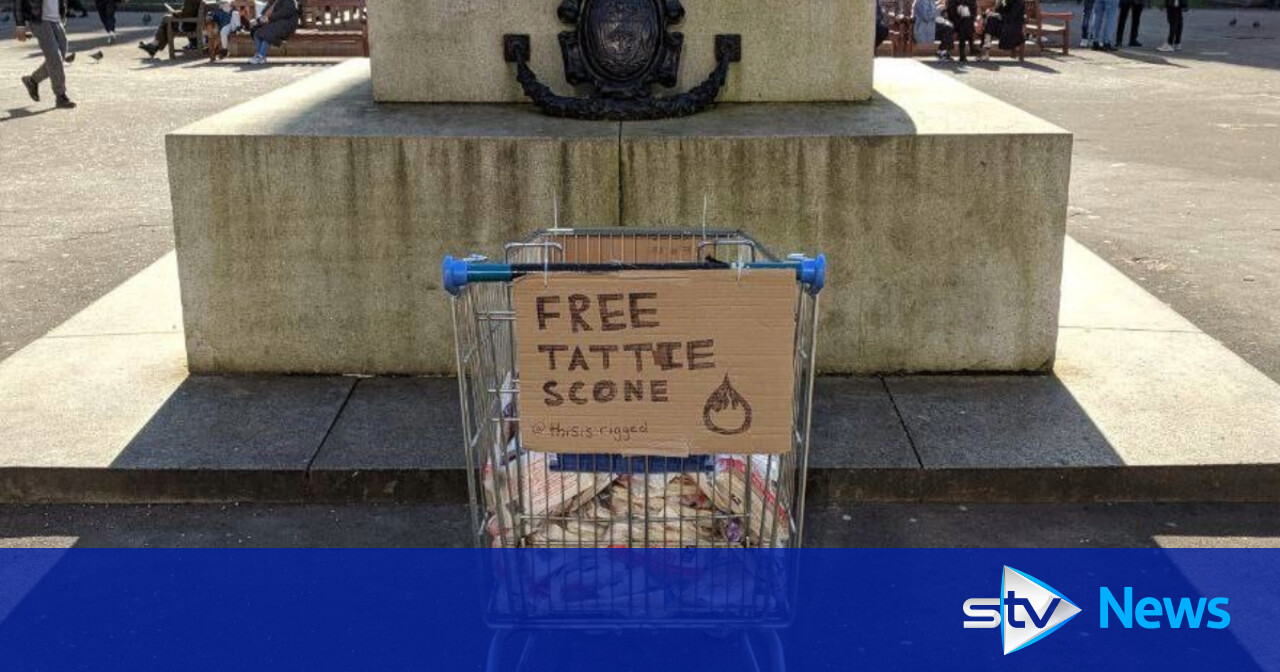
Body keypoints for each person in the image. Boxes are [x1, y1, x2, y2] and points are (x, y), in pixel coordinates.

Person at [13, 0, 76, 109]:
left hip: (56, 18)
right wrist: (20, 25)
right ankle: (60, 96)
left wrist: (62, 12)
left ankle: (32, 81)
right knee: (55, 57)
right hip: (39, 19)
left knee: (60, 56)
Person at [137, 0, 201, 57]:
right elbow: (187, 12)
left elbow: (184, 14)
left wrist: (173, 12)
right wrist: (175, 12)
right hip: (194, 24)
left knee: (166, 20)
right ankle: (154, 46)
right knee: (167, 22)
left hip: (189, 25)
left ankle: (154, 46)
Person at [248, 0, 297, 65]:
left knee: (267, 33)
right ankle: (258, 54)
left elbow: (285, 13)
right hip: (273, 22)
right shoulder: (272, 1)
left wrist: (269, 18)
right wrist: (259, 20)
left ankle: (261, 56)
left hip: (286, 23)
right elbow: (265, 13)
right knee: (256, 30)